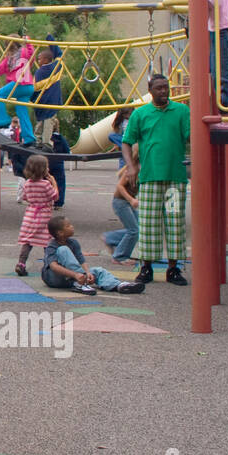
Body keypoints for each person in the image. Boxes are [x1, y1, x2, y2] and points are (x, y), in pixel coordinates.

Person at [121, 74, 191, 285]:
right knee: (149, 224)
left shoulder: (181, 111)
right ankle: (146, 267)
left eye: (166, 87)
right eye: (159, 88)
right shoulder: (140, 114)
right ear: (150, 91)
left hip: (174, 177)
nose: (164, 91)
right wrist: (131, 167)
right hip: (150, 177)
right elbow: (126, 142)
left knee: (174, 222)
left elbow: (191, 137)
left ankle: (173, 268)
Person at [42, 215, 145, 296]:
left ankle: (118, 285)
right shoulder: (52, 245)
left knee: (98, 271)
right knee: (63, 250)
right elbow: (54, 266)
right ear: (60, 233)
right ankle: (81, 283)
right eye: (68, 226)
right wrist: (76, 275)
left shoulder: (73, 243)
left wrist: (87, 272)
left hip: (74, 277)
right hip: (54, 278)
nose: (72, 227)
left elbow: (81, 261)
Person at [0, 40, 37, 145]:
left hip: (19, 83)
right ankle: (29, 138)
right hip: (28, 87)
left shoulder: (18, 55)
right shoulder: (15, 56)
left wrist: (27, 41)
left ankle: (2, 120)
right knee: (22, 112)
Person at [14, 153, 57, 277]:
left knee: (28, 240)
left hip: (30, 215)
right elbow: (55, 196)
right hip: (44, 215)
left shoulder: (27, 183)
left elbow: (25, 197)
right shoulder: (46, 184)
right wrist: (54, 182)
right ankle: (49, 264)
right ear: (43, 169)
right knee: (46, 240)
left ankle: (21, 264)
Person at [102, 164, 141, 263]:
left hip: (127, 202)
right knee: (133, 230)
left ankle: (110, 238)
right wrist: (131, 200)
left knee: (138, 229)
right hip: (121, 202)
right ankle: (119, 256)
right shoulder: (132, 169)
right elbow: (120, 186)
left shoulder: (142, 167)